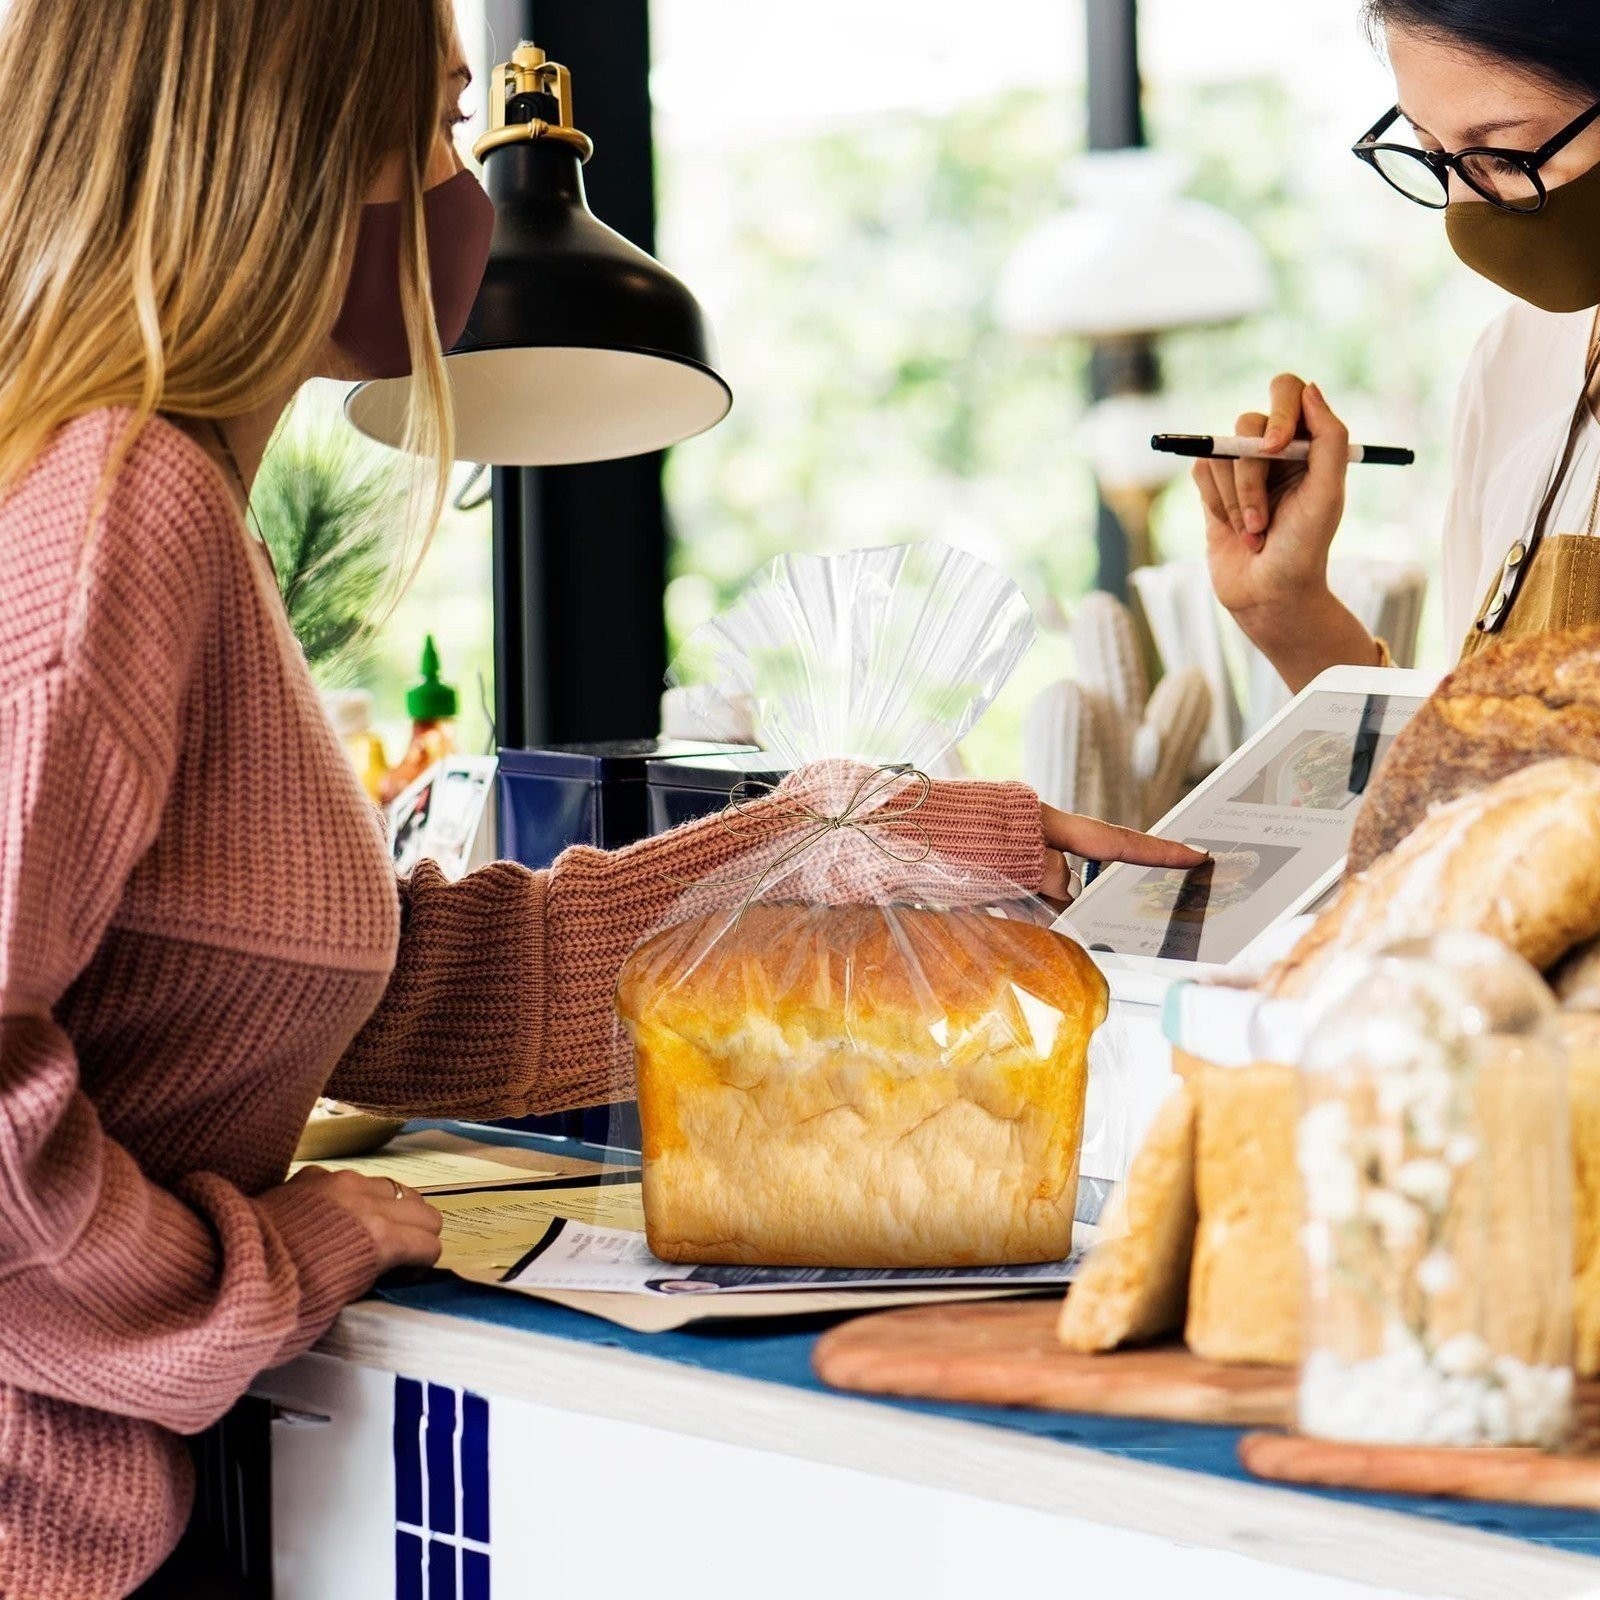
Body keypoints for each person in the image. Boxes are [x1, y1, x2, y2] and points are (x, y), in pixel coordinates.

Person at [0, 4, 1203, 1596]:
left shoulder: (145, 496)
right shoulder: (117, 510)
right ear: (295, 152)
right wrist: (247, 1277)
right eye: (435, 128)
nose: (465, 192)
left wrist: (858, 836)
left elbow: (383, 990)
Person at [1199, 1, 1600, 690]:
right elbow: (1462, 778)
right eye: (1434, 156)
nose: (1462, 210)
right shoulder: (1513, 365)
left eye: (1502, 156)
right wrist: (1289, 610)